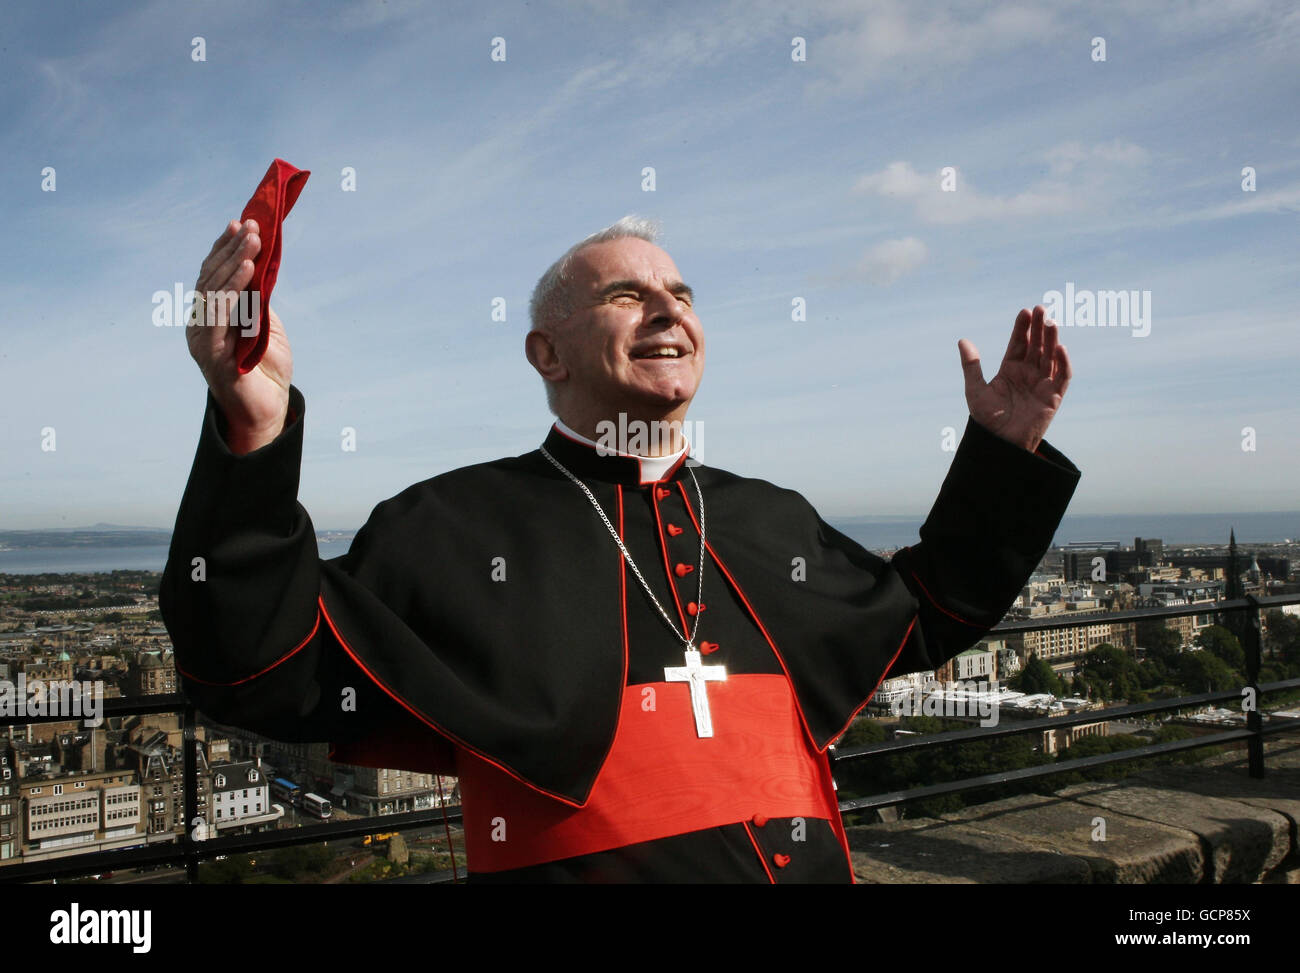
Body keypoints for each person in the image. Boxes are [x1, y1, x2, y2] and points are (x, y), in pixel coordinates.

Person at [160, 215, 1081, 883]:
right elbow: (255, 668)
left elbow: (923, 614)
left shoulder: (770, 517)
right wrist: (254, 430)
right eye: (625, 294)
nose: (667, 311)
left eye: (681, 294)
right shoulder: (448, 524)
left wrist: (1003, 458)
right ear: (546, 355)